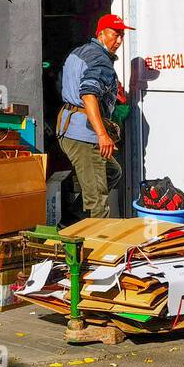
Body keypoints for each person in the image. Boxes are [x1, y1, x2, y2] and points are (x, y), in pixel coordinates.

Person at [57, 14, 133, 219]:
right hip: (84, 134)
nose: (119, 41)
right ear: (101, 34)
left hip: (68, 128)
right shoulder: (101, 60)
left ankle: (74, 220)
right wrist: (102, 135)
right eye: (115, 34)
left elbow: (62, 85)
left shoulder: (79, 52)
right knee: (97, 202)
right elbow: (88, 95)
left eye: (122, 36)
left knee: (112, 171)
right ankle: (96, 246)